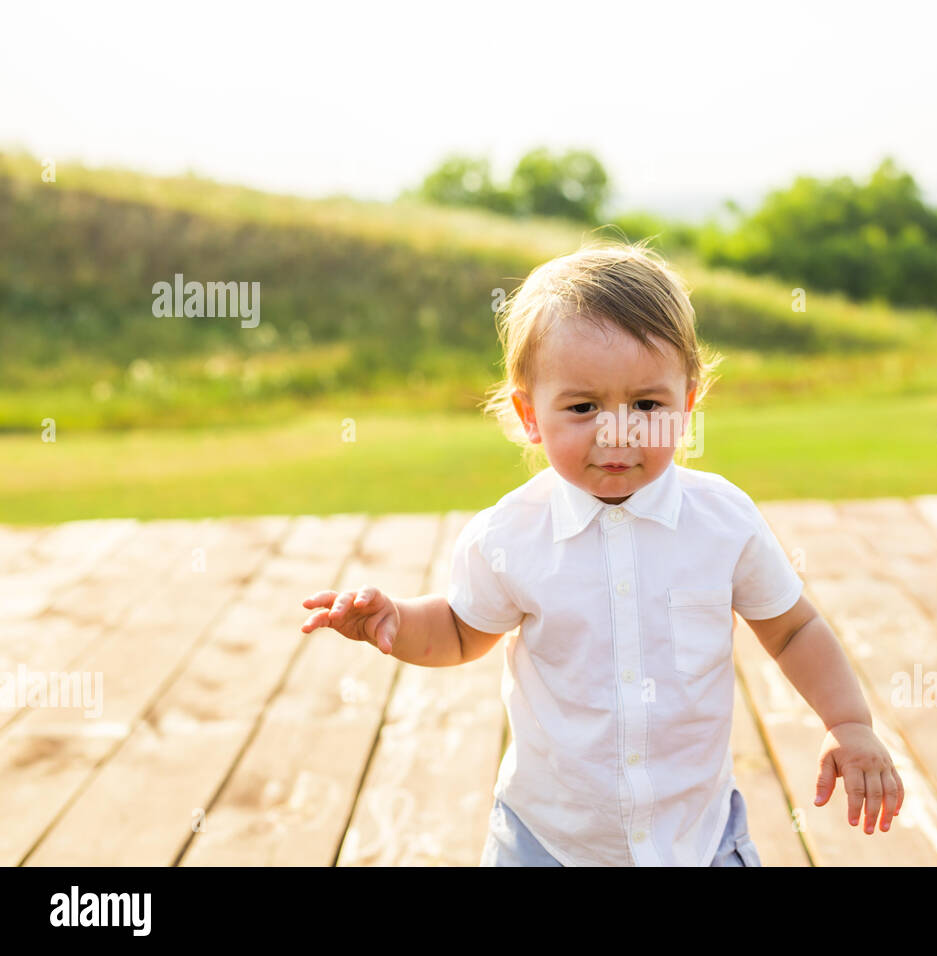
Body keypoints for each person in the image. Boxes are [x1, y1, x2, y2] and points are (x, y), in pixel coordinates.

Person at [300, 239, 903, 866]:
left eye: (647, 404)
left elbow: (793, 629)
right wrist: (396, 619)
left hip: (692, 837)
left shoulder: (722, 521)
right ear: (529, 414)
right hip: (550, 840)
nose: (616, 432)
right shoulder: (510, 535)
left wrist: (848, 722)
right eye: (583, 407)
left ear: (688, 401)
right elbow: (457, 631)